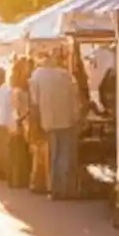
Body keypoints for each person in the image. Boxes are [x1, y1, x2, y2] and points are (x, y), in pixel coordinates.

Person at [30, 52, 82, 198]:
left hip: (48, 120)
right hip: (67, 119)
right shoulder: (65, 75)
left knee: (53, 155)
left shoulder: (37, 75)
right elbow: (75, 96)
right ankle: (65, 188)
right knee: (65, 154)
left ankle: (54, 188)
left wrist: (35, 122)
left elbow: (34, 102)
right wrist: (76, 116)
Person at [6, 58, 32, 189]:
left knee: (18, 151)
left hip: (17, 121)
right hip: (20, 122)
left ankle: (17, 179)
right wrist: (23, 117)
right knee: (19, 151)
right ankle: (18, 179)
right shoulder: (18, 90)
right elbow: (17, 108)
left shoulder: (16, 88)